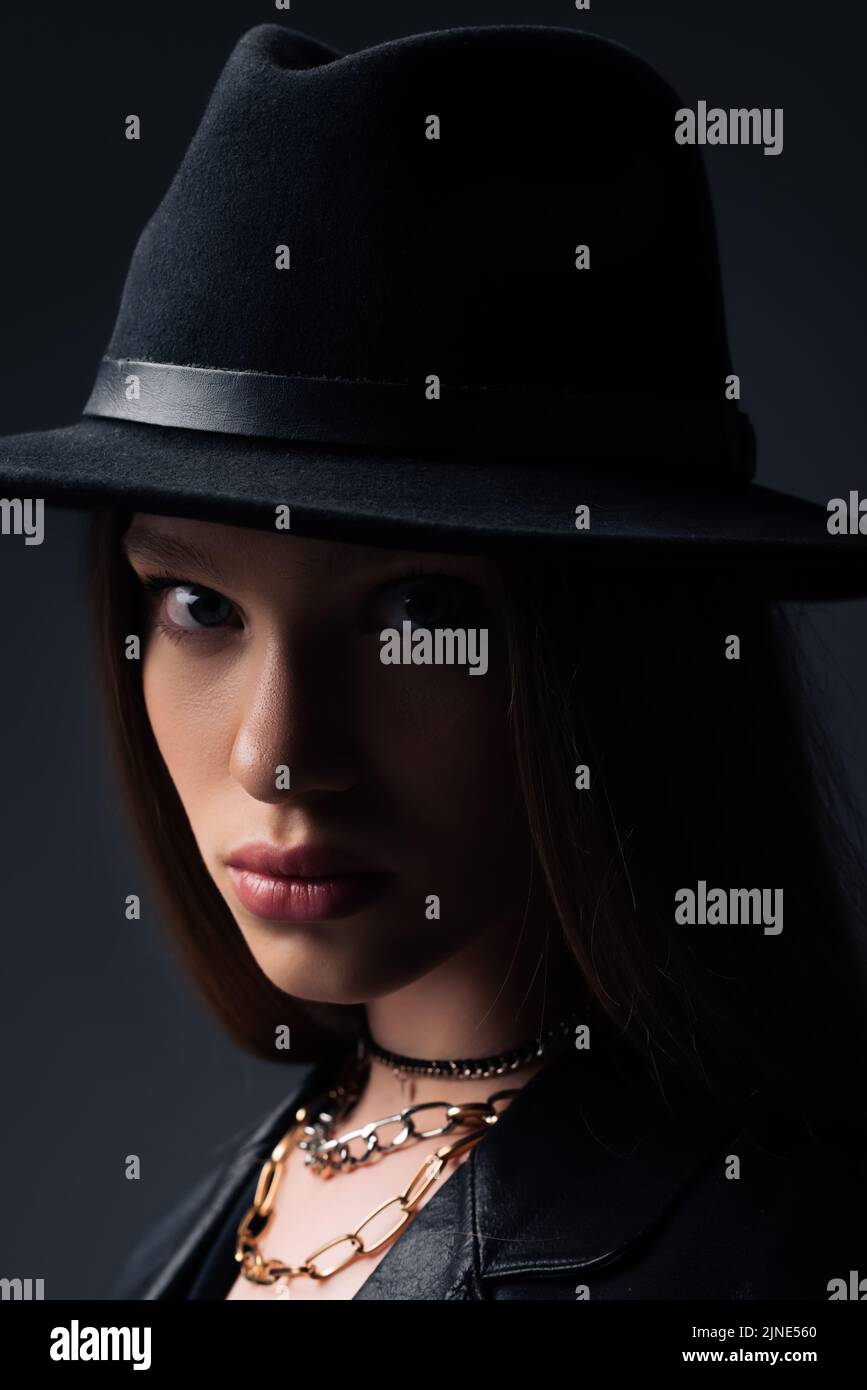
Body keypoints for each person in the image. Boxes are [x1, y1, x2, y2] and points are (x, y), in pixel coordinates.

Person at [1, 21, 866, 1301]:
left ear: (620, 657)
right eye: (200, 603)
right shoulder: (191, 1243)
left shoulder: (781, 1261)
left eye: (413, 607)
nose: (278, 752)